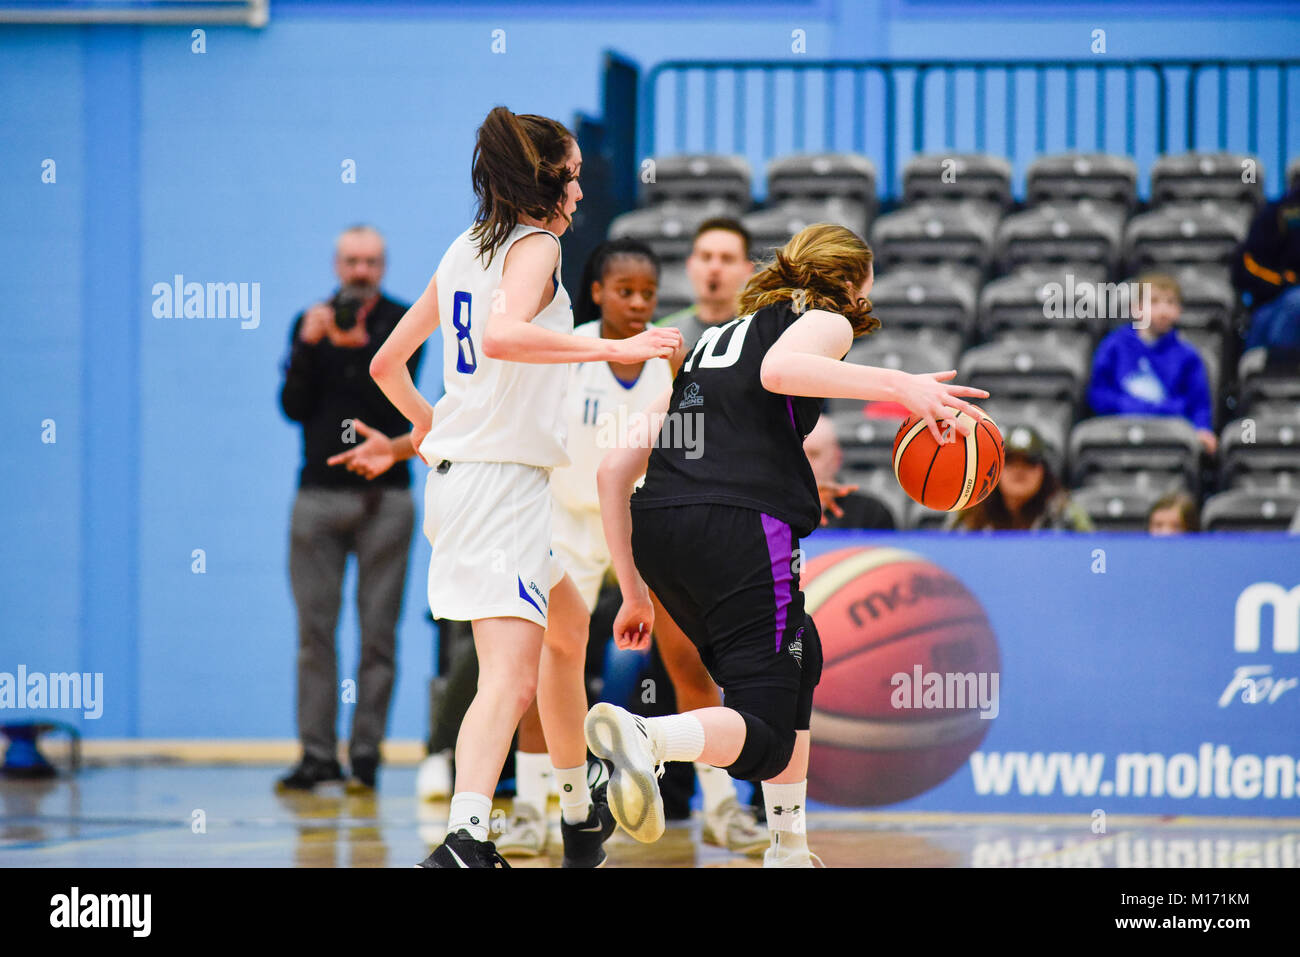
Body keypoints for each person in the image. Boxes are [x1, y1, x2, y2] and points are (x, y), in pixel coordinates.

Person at [587, 223, 989, 867]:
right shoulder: (823, 316)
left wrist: (634, 590)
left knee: (802, 653)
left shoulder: (709, 341)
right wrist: (903, 386)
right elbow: (780, 372)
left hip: (658, 527)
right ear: (851, 281)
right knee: (768, 738)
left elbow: (612, 471)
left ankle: (789, 848)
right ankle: (647, 737)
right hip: (740, 526)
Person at [368, 106, 681, 869]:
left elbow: (386, 363)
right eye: (573, 175)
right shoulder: (535, 244)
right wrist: (626, 342)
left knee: (567, 630)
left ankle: (579, 813)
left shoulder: (461, 248)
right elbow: (505, 333)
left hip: (477, 482)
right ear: (547, 181)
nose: (580, 191)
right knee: (506, 678)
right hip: (499, 487)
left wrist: (434, 427)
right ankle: (467, 837)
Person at [497, 238, 767, 857]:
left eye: (649, 292)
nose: (640, 303)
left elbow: (701, 434)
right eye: (626, 292)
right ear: (597, 293)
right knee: (545, 666)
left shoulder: (670, 357)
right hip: (563, 519)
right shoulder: (570, 350)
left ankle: (723, 808)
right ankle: (533, 813)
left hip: (641, 521)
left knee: (688, 661)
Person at [276, 224, 423, 794]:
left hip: (384, 500)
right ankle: (316, 756)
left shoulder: (401, 321)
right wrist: (305, 349)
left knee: (378, 635)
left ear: (382, 266)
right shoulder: (309, 323)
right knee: (315, 634)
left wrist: (354, 349)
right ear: (337, 265)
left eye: (371, 262)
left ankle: (365, 757)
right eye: (351, 261)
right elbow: (293, 407)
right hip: (315, 497)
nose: (360, 272)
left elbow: (383, 401)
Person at [1086, 272, 1217, 455]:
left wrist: (1202, 428)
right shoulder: (1113, 346)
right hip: (1119, 433)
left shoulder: (1189, 356)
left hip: (1169, 437)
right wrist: (1133, 407)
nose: (1162, 310)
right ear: (1136, 308)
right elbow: (1098, 395)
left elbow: (1199, 404)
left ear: (1179, 310)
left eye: (1170, 303)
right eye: (1154, 302)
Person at [947, 425, 1093, 532]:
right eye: (1010, 462)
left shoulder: (1065, 514)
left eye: (1029, 462)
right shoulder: (972, 514)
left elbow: (1087, 553)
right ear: (996, 469)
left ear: (1043, 471)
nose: (1019, 471)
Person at [655, 217, 755, 349]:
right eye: (705, 257)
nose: (714, 268)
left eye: (727, 259)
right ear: (689, 264)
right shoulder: (662, 336)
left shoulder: (764, 336)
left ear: (748, 270)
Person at [1233, 180, 1300, 351]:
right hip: (1274, 304)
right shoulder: (1283, 212)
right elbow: (1245, 266)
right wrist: (1283, 281)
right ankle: (1279, 373)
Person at [803, 414, 896, 529]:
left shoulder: (870, 514)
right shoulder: (778, 512)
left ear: (836, 458)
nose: (805, 463)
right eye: (799, 456)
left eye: (814, 454)